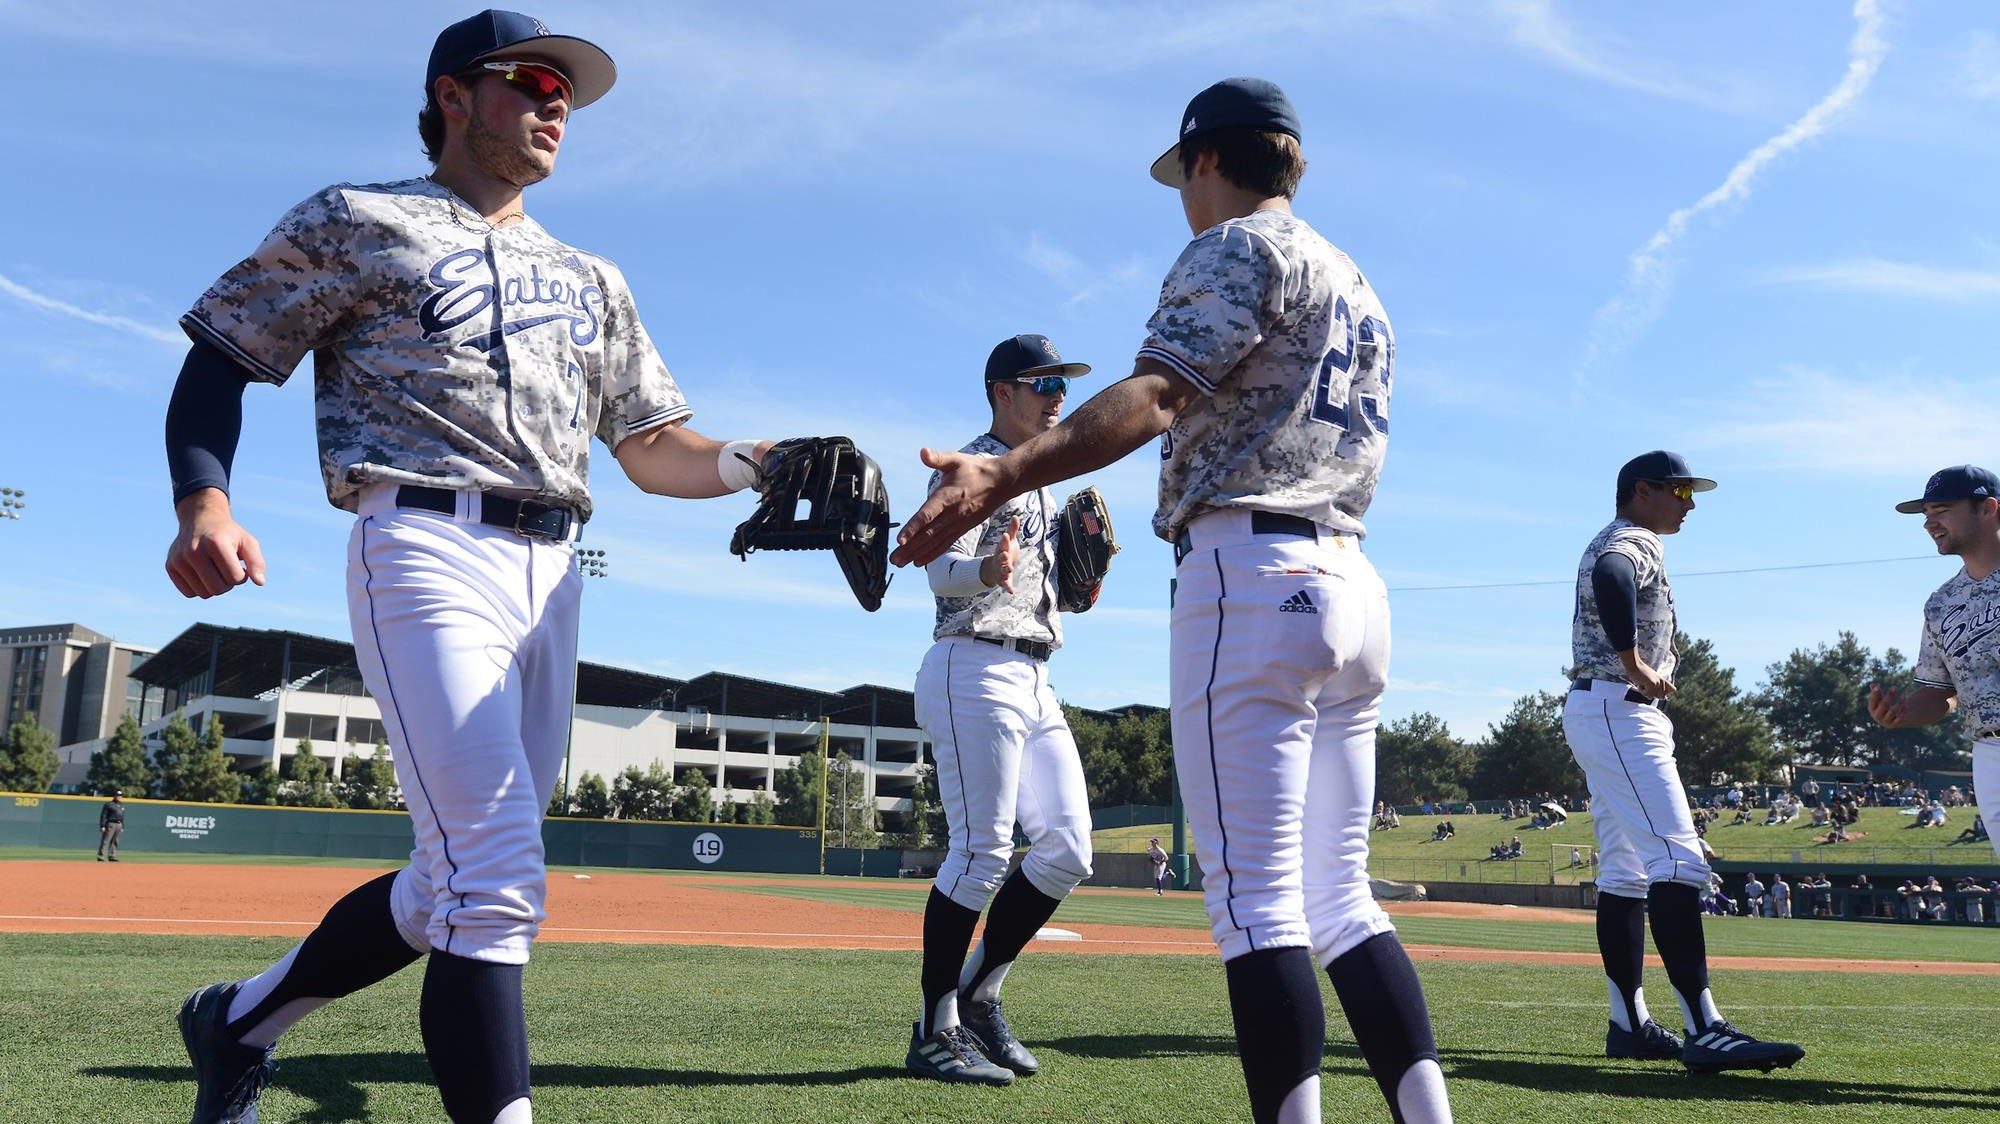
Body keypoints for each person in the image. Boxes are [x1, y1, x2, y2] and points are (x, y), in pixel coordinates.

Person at [160, 12, 793, 1122]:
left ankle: (241, 1018)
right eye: (536, 81)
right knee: (495, 870)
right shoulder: (358, 219)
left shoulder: (590, 274)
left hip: (553, 570)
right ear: (455, 94)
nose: (558, 105)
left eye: (568, 94)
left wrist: (755, 461)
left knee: (447, 879)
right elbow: (222, 356)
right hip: (421, 540)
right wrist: (205, 499)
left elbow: (651, 450)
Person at [889, 77, 1451, 1124]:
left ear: (1206, 160)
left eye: (1180, 177)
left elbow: (1152, 395)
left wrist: (1001, 477)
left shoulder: (1237, 243)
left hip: (1250, 573)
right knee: (1341, 899)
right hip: (1352, 577)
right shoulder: (1357, 279)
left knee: (1254, 905)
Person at [1560, 450, 1804, 1073]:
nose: (1688, 503)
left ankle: (1629, 1023)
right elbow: (1612, 575)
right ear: (1642, 491)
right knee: (1678, 859)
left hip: (1604, 709)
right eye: (1679, 491)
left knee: (1624, 872)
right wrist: (1633, 661)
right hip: (1620, 708)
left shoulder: (1630, 537)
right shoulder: (1630, 539)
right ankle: (1705, 1027)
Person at [905, 333, 1100, 1086]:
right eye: (1042, 380)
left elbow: (1048, 585)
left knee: (1067, 849)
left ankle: (980, 994)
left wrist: (1075, 593)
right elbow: (932, 565)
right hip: (972, 662)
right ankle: (933, 1031)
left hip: (1035, 674)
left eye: (1063, 382)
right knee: (981, 853)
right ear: (1001, 392)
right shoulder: (975, 465)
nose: (1058, 394)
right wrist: (981, 568)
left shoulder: (1045, 476)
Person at [1869, 466, 2000, 870]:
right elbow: (1939, 692)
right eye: (1925, 513)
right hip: (1990, 750)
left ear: (1988, 509)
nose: (1929, 522)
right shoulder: (1942, 602)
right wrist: (1903, 713)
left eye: (1941, 509)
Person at [96, 790, 125, 862]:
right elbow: (103, 815)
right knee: (106, 840)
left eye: (120, 795)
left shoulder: (122, 805)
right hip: (111, 823)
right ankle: (101, 855)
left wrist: (123, 826)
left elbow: (122, 816)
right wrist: (102, 825)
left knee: (115, 841)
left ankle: (112, 855)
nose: (118, 797)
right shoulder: (109, 804)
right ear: (114, 796)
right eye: (117, 795)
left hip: (119, 824)